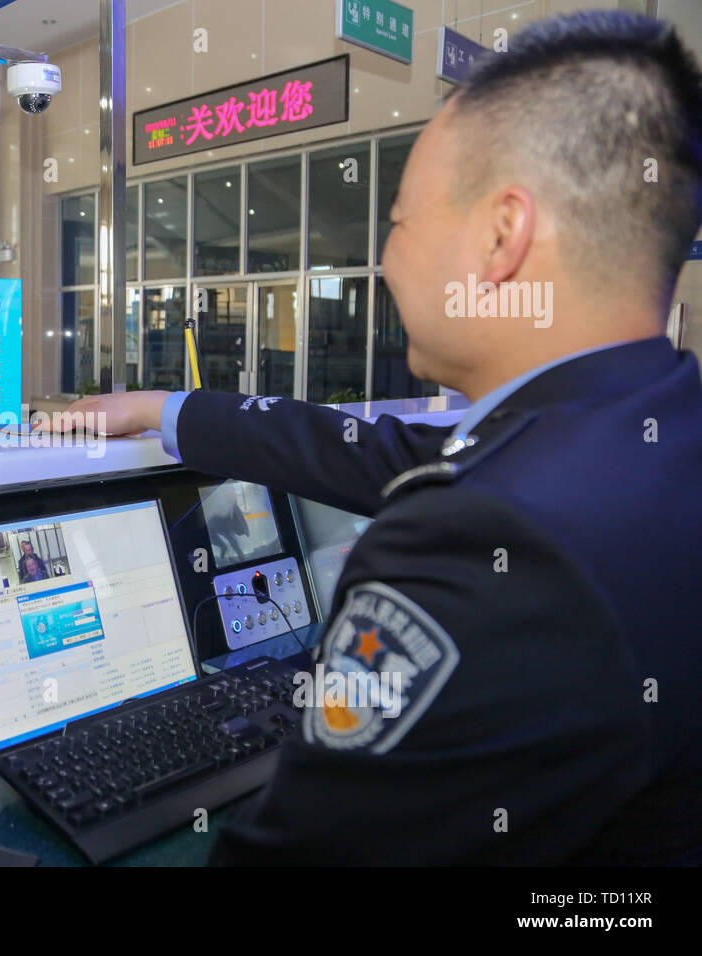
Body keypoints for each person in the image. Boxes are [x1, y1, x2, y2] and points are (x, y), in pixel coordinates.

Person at [52, 11, 702, 865]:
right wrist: (166, 408)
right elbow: (386, 453)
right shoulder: (652, 429)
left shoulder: (483, 544)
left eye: (397, 223)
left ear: (502, 237)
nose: (388, 264)